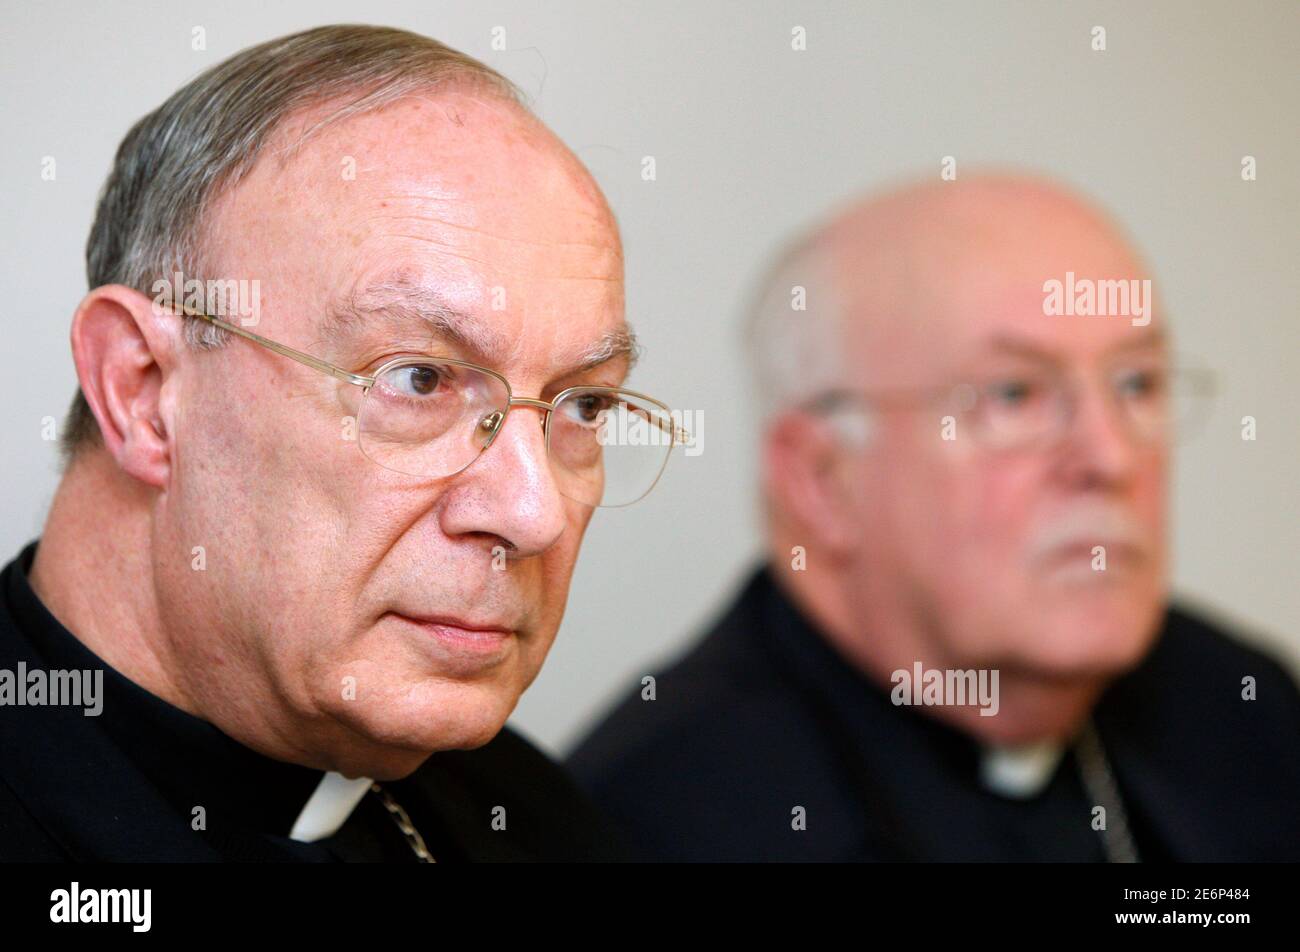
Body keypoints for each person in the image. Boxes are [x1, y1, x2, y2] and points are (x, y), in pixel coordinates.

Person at [0, 24, 687, 862]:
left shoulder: (534, 818)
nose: (532, 514)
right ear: (142, 390)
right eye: (420, 380)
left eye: (581, 404)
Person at [567, 174, 1300, 862]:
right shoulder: (653, 823)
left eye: (1136, 383)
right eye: (1014, 395)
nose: (1109, 457)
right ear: (822, 480)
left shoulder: (1245, 709)